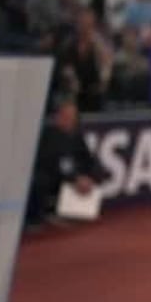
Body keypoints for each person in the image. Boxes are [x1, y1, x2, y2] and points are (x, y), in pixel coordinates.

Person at [24, 97, 107, 232]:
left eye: (73, 116)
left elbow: (87, 157)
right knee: (41, 180)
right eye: (68, 116)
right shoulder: (50, 134)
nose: (72, 120)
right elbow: (57, 162)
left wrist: (90, 175)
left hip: (71, 172)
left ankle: (78, 211)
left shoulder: (76, 135)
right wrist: (76, 178)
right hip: (54, 173)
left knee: (98, 171)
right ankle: (41, 215)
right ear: (59, 117)